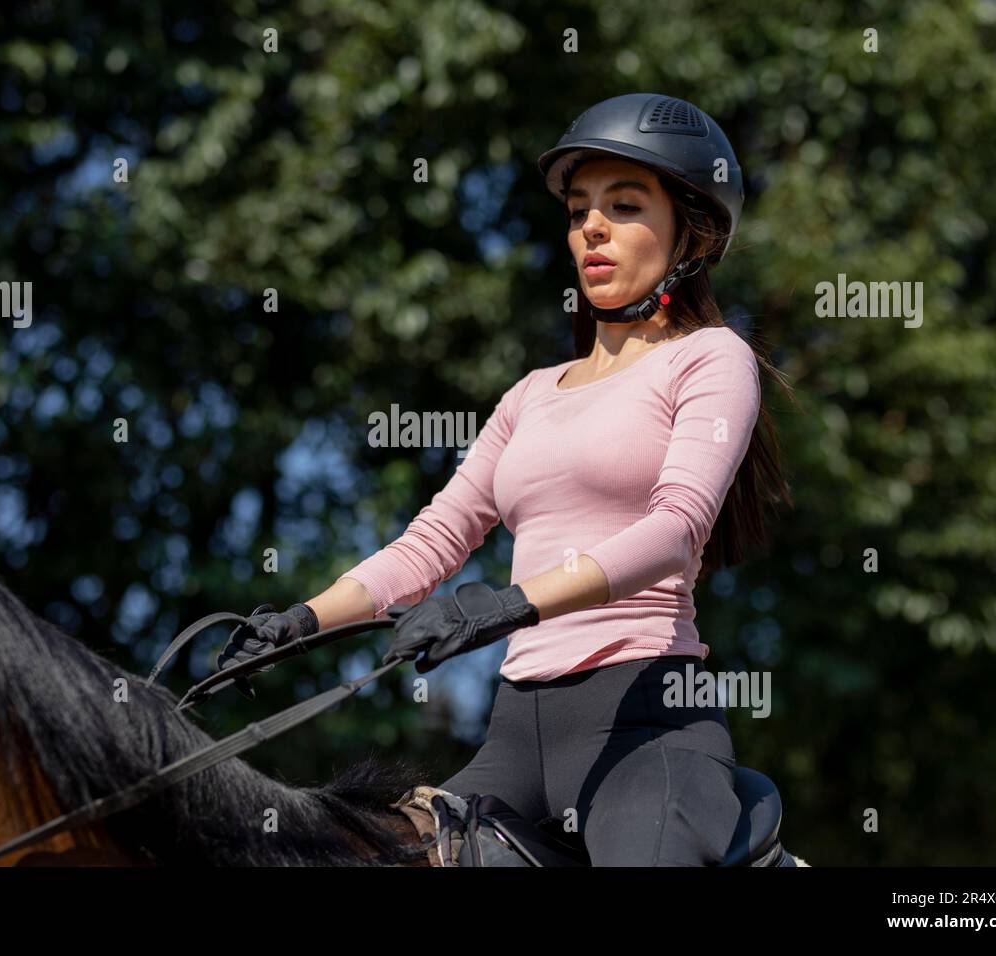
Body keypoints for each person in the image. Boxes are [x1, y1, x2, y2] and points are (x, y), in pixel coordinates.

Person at [218, 93, 792, 866]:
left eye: (623, 206)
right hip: (516, 734)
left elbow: (676, 528)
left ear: (691, 231)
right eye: (579, 208)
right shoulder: (531, 393)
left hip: (646, 726)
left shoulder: (710, 358)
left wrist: (510, 603)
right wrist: (301, 622)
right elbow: (435, 539)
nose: (591, 227)